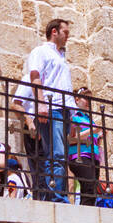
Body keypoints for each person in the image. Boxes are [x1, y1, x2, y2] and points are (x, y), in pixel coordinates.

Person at [13, 19, 73, 203]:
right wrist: (40, 105)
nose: (68, 36)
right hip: (51, 108)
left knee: (58, 155)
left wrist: (72, 114)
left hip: (63, 110)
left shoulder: (60, 56)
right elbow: (35, 76)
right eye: (65, 32)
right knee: (55, 154)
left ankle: (54, 196)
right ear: (54, 31)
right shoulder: (41, 51)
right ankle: (56, 198)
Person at [66, 87, 101, 206]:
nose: (88, 101)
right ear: (76, 100)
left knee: (91, 191)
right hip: (79, 156)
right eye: (86, 98)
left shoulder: (89, 119)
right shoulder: (74, 116)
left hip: (93, 157)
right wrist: (91, 131)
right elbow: (70, 139)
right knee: (89, 187)